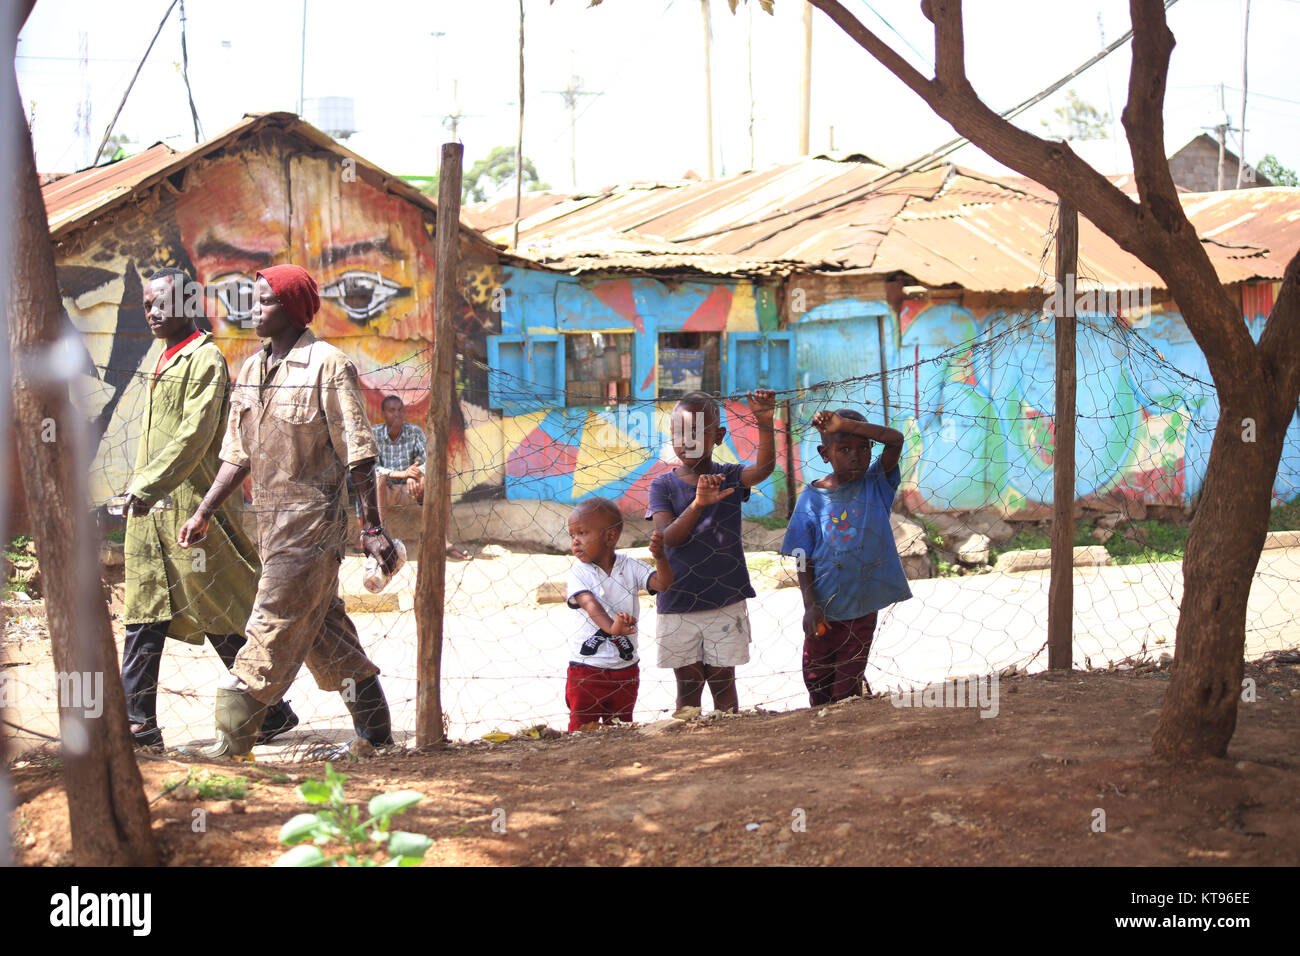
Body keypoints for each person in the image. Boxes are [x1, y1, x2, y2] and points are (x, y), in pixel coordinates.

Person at [178, 263, 398, 759]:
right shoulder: (253, 370)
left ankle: (230, 744)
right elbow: (238, 454)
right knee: (328, 635)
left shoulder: (328, 365)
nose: (254, 309)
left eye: (266, 300)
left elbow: (359, 452)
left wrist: (373, 529)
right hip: (271, 527)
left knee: (270, 622)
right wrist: (205, 510)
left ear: (293, 309)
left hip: (312, 527)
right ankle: (377, 738)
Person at [119, 267, 296, 749]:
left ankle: (269, 709)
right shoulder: (162, 359)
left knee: (218, 608)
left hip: (191, 509)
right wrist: (141, 489)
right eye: (147, 305)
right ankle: (140, 724)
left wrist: (149, 484)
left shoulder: (206, 360)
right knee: (143, 615)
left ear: (187, 305)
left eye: (161, 304)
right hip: (149, 512)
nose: (153, 313)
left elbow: (193, 437)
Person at [647, 389, 776, 715]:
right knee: (687, 690)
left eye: (696, 432)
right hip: (679, 602)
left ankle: (730, 752)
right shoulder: (663, 486)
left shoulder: (730, 476)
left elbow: (763, 469)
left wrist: (764, 420)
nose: (686, 440)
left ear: (717, 436)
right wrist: (698, 504)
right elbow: (668, 538)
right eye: (679, 432)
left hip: (724, 600)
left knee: (723, 683)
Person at [781, 409, 912, 706]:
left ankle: (850, 734)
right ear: (824, 453)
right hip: (824, 610)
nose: (856, 456)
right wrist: (810, 604)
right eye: (844, 449)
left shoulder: (876, 483)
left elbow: (896, 441)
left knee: (846, 688)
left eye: (863, 448)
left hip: (862, 609)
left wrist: (847, 426)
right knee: (816, 680)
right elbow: (801, 555)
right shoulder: (811, 498)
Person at [565, 498, 673, 732]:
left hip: (625, 669)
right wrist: (611, 628)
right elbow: (591, 605)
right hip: (586, 670)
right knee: (582, 729)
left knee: (621, 728)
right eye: (571, 535)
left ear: (610, 537)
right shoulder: (578, 573)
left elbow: (662, 584)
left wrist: (661, 557)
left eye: (582, 533)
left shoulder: (630, 567)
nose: (575, 541)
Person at [370, 394, 469, 560]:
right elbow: (373, 467)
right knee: (377, 477)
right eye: (391, 410)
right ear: (383, 414)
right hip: (384, 490)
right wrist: (402, 473)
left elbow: (429, 460)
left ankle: (442, 539)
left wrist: (418, 476)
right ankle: (381, 538)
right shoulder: (374, 433)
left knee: (445, 478)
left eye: (400, 410)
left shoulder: (414, 432)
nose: (396, 414)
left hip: (410, 489)